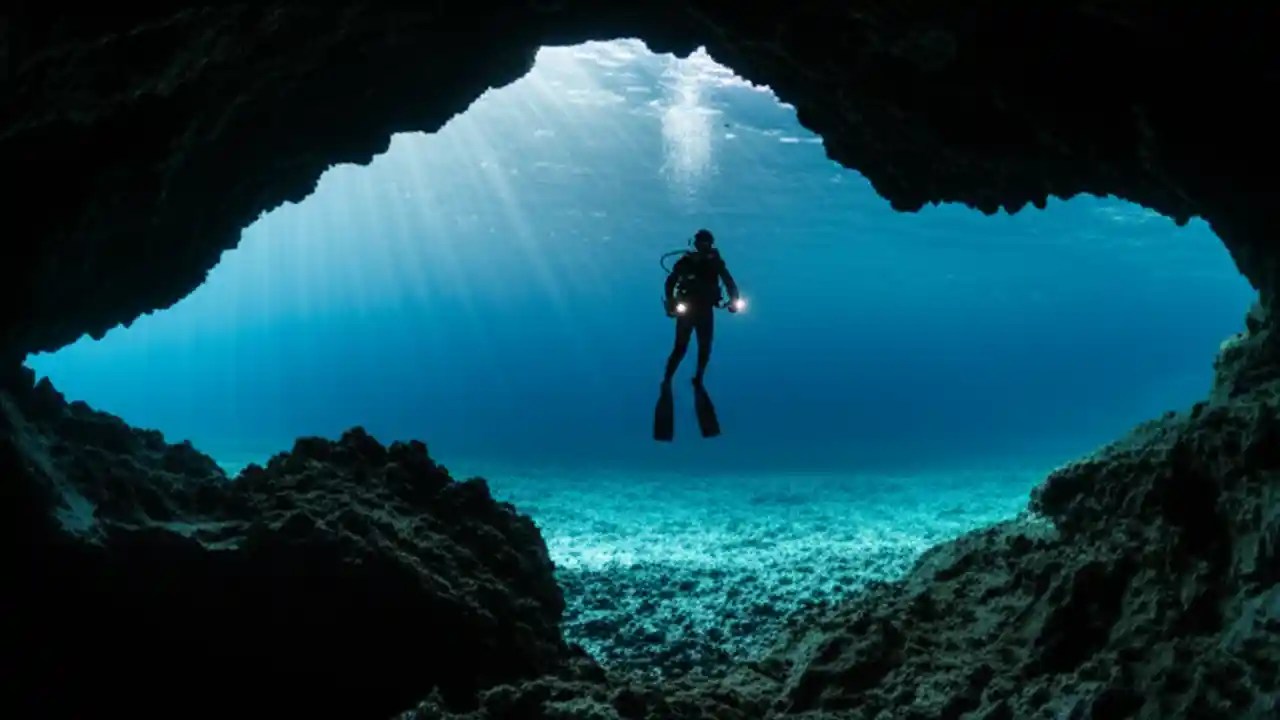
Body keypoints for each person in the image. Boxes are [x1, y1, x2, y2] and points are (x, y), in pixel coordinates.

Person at [662, 228, 741, 388]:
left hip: (704, 310)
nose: (702, 246)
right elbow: (670, 282)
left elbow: (729, 282)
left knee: (702, 347)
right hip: (690, 309)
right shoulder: (686, 262)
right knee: (681, 347)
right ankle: (670, 378)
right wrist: (671, 301)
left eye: (705, 243)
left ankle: (696, 377)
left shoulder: (715, 263)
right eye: (700, 243)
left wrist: (733, 300)